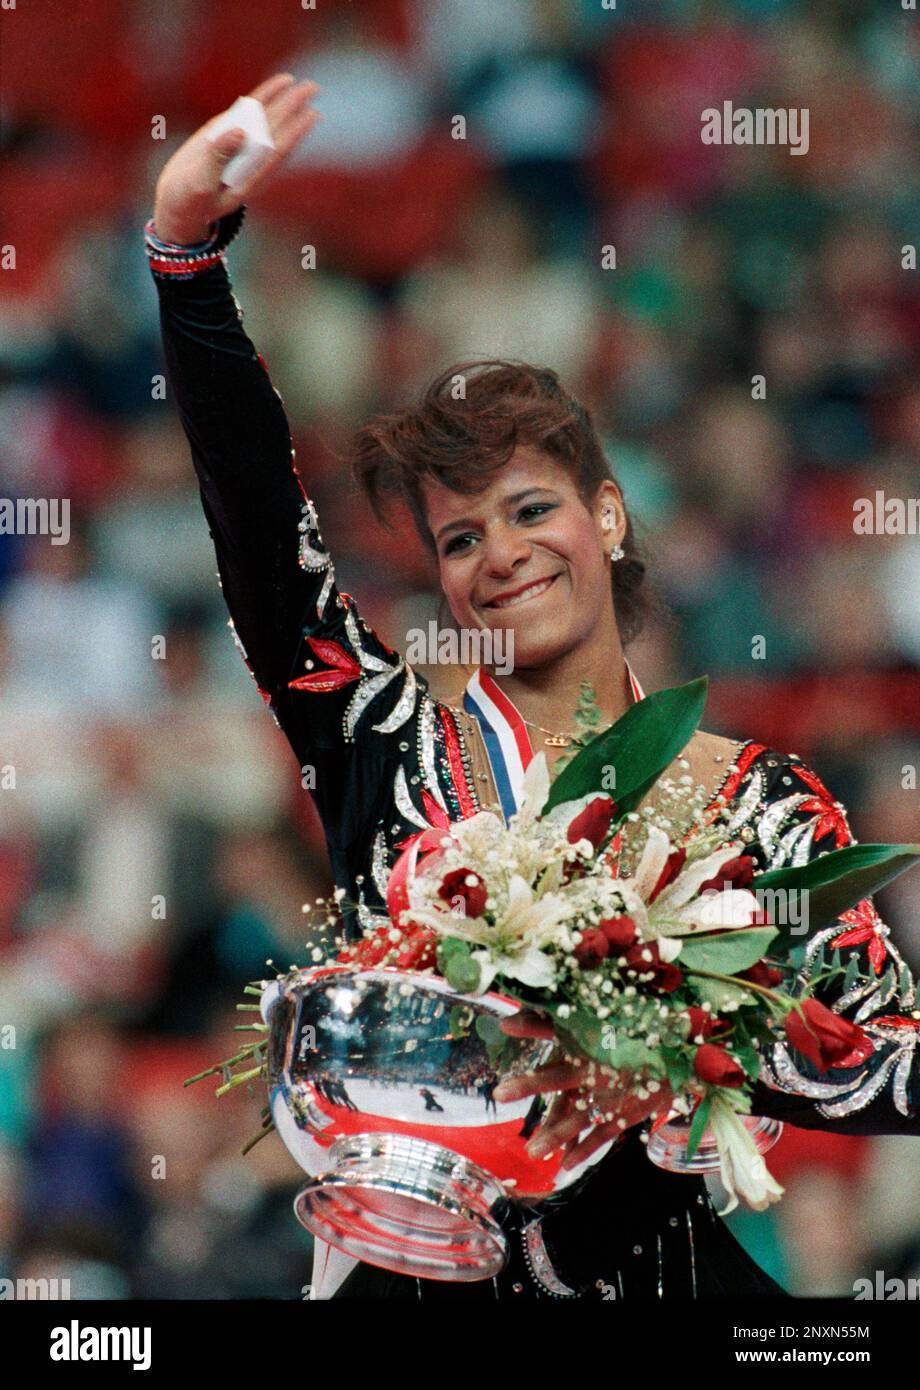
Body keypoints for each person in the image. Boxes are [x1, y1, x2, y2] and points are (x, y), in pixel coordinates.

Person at [149, 74, 920, 1300]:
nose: (499, 555)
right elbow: (258, 534)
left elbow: (888, 1054)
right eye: (458, 541)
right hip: (411, 1269)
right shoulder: (385, 742)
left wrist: (693, 1049)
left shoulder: (759, 806)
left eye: (528, 510)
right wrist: (185, 259)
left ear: (606, 515)